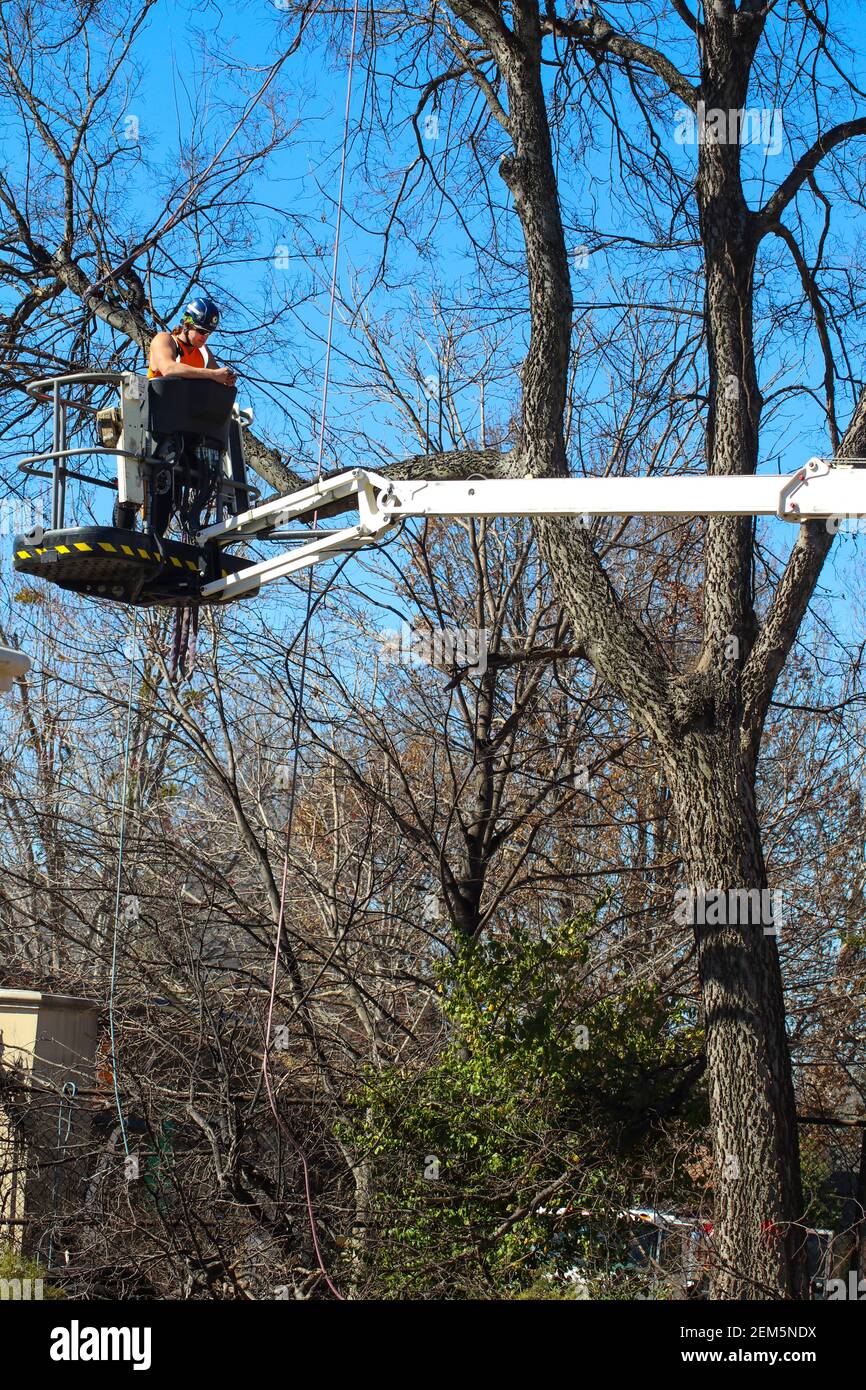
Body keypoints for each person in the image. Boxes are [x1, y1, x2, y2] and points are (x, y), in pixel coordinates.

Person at [142, 296, 237, 537]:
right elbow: (168, 368)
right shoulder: (165, 340)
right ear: (187, 323)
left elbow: (214, 378)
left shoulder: (203, 354)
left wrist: (224, 381)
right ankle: (151, 529)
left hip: (192, 428)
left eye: (209, 333)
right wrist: (212, 375)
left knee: (208, 471)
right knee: (164, 479)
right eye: (201, 331)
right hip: (160, 426)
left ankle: (195, 523)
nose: (204, 337)